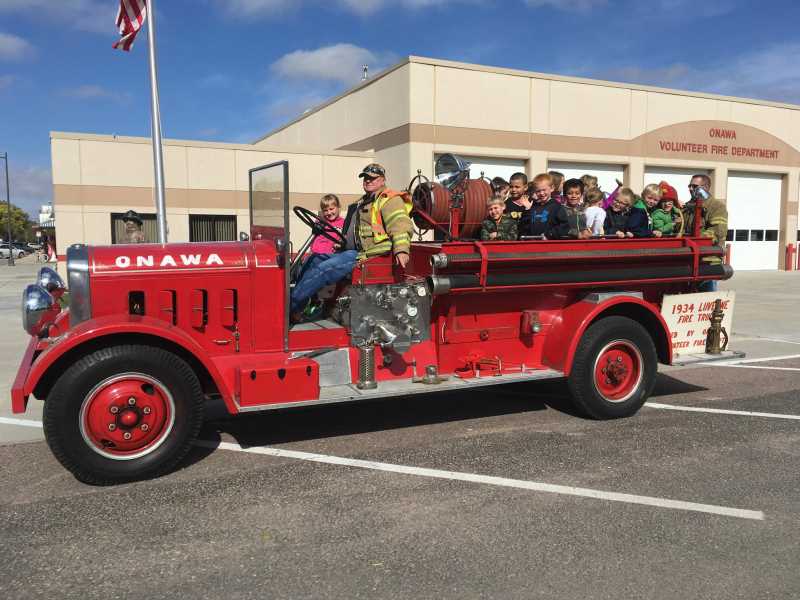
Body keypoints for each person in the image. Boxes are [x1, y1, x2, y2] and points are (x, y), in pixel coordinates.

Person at [290, 163, 413, 319]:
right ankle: (297, 308)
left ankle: (288, 309)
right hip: (354, 252)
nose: (368, 181)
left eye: (372, 178)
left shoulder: (389, 200)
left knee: (324, 269)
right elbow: (355, 232)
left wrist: (402, 250)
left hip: (372, 256)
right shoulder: (361, 203)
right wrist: (342, 243)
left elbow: (400, 223)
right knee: (314, 259)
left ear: (382, 180)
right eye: (365, 178)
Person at [682, 174, 728, 291]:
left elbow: (717, 231)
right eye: (690, 186)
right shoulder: (688, 206)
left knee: (707, 302)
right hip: (689, 261)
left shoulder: (717, 207)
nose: (691, 189)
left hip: (708, 263)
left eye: (694, 186)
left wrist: (693, 242)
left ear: (706, 187)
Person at [528, 173, 561, 238]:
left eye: (544, 190)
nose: (541, 193)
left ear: (552, 188)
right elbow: (527, 224)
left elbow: (564, 225)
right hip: (533, 242)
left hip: (550, 243)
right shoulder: (533, 206)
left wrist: (550, 235)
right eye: (538, 191)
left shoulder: (557, 206)